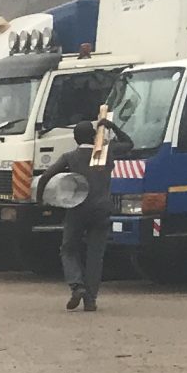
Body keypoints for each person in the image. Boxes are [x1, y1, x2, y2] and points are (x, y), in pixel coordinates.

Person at [50, 110, 117, 314]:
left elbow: (47, 176)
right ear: (92, 136)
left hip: (77, 209)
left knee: (68, 249)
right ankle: (91, 300)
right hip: (102, 210)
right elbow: (129, 144)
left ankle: (76, 285)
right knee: (95, 256)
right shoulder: (105, 154)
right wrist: (111, 126)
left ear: (75, 138)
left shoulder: (71, 157)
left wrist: (41, 197)